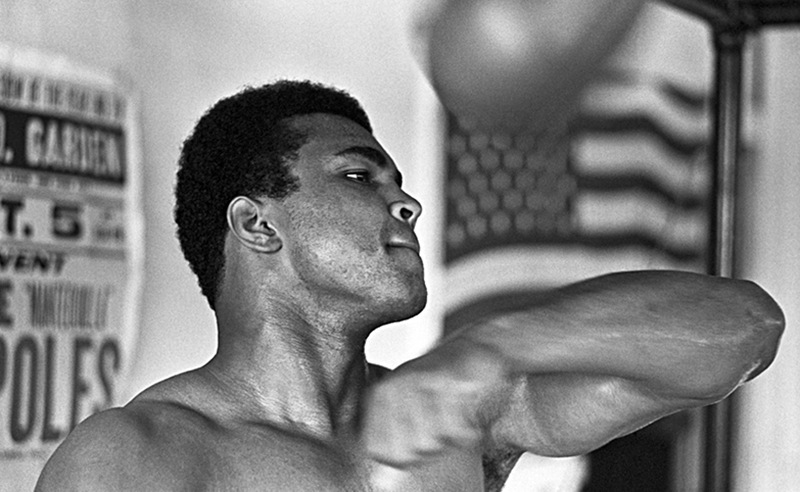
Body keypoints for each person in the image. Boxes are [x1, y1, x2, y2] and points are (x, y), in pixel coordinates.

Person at [35, 80, 784, 492]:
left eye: (396, 181)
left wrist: (496, 344)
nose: (408, 203)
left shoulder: (461, 419)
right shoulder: (135, 456)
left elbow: (744, 330)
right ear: (258, 226)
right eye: (359, 176)